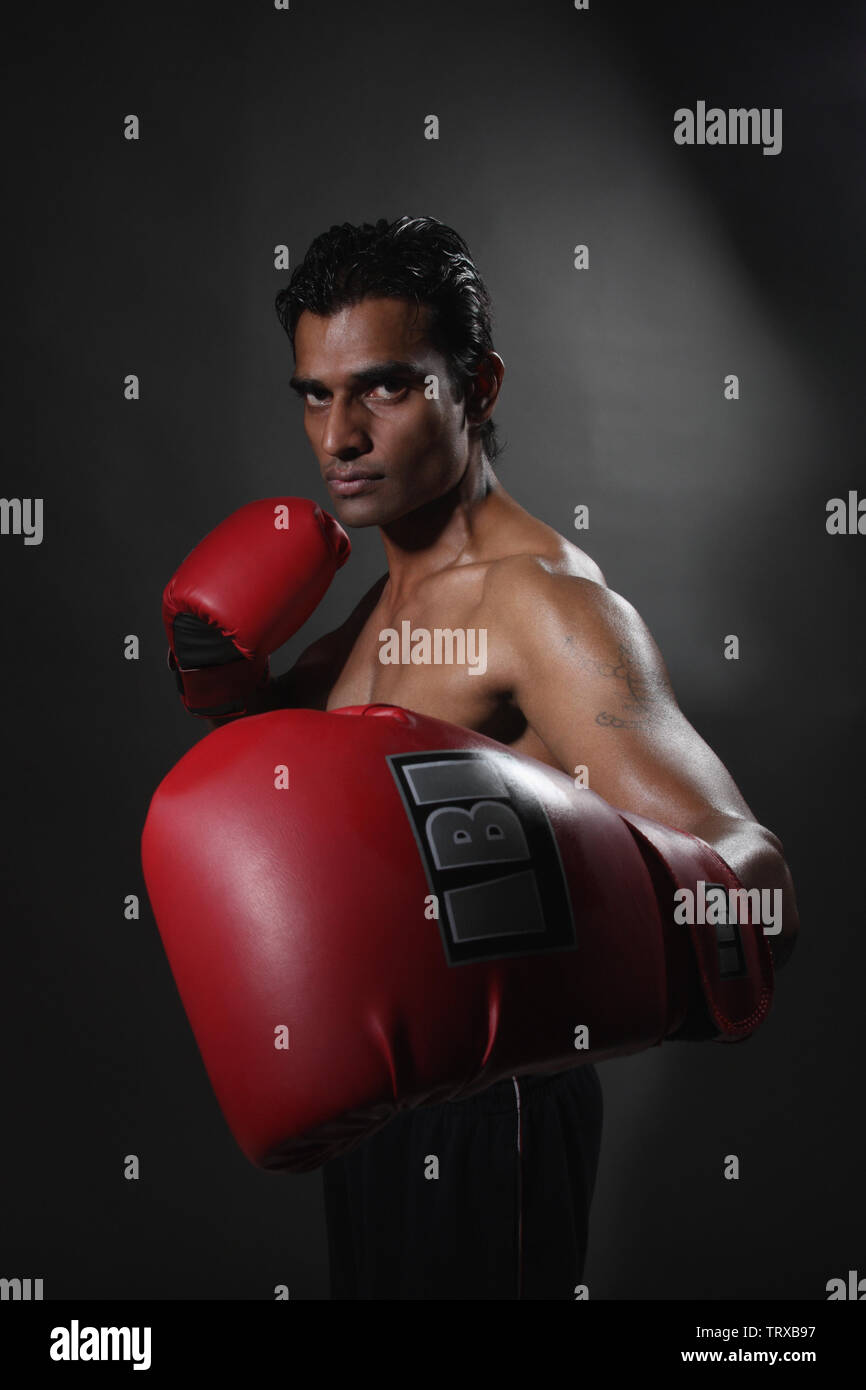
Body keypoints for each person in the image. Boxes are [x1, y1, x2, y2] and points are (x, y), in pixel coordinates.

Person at [160, 215, 799, 1300]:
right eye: (315, 393)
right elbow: (295, 790)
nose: (339, 435)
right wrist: (225, 681)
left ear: (478, 387)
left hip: (491, 1111)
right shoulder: (382, 600)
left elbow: (746, 867)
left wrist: (622, 941)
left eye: (386, 388)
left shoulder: (538, 604)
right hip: (378, 1096)